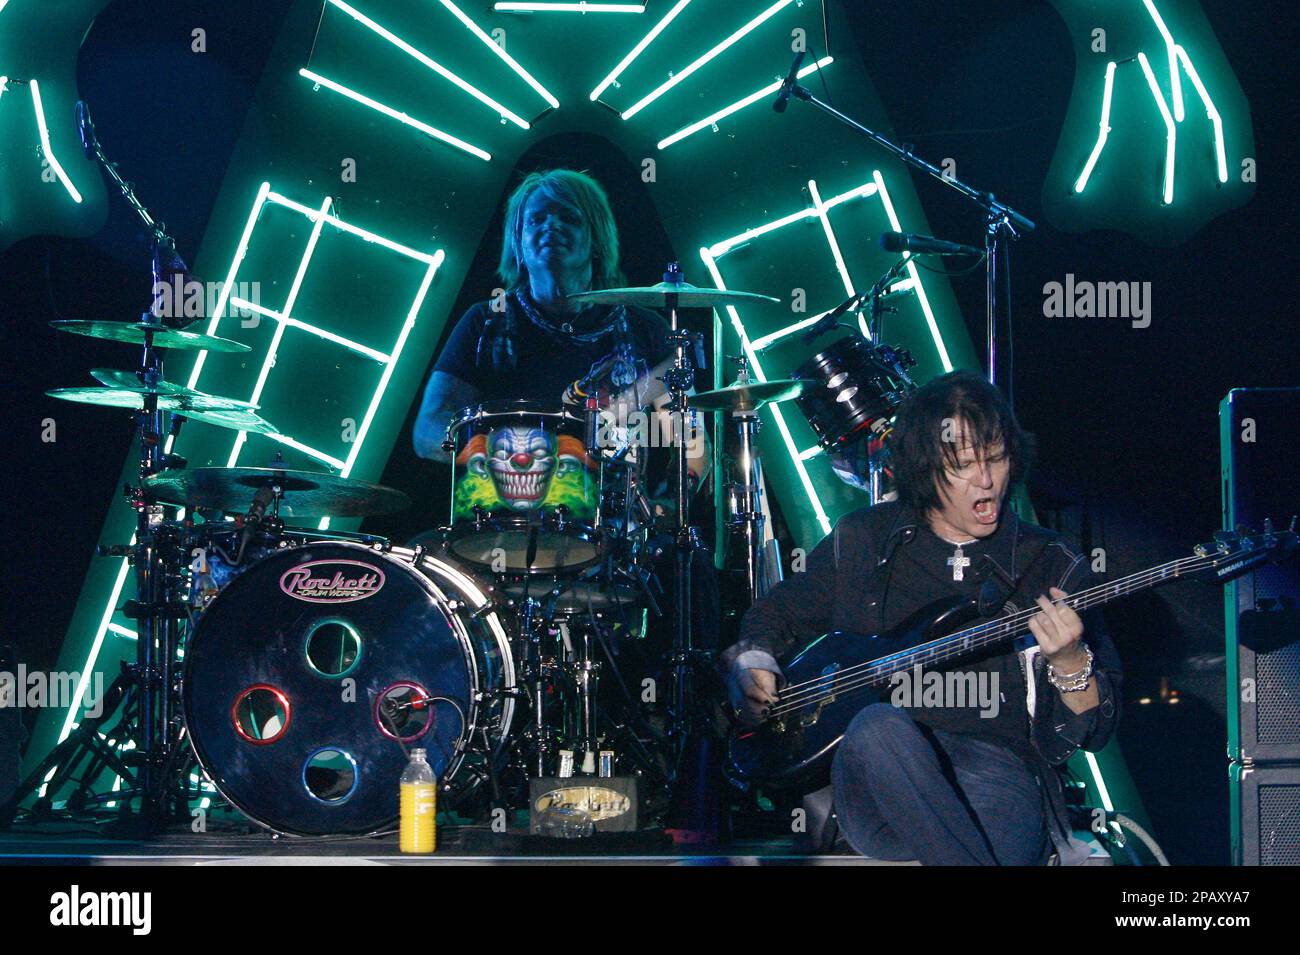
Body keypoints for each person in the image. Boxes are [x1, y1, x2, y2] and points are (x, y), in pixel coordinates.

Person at [722, 370, 1122, 865]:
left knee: (998, 838)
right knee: (878, 727)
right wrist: (752, 663)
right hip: (878, 777)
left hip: (994, 775)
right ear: (924, 470)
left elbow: (1097, 732)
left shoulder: (1050, 562)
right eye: (963, 465)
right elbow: (776, 613)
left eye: (997, 459)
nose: (986, 480)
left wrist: (1071, 662)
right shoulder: (864, 539)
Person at [413, 168, 706, 491]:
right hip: (505, 507)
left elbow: (691, 439)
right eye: (536, 219)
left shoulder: (645, 328)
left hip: (613, 514)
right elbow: (427, 431)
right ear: (518, 244)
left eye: (568, 217)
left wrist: (677, 496)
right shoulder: (485, 322)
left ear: (596, 239)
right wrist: (500, 452)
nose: (551, 226)